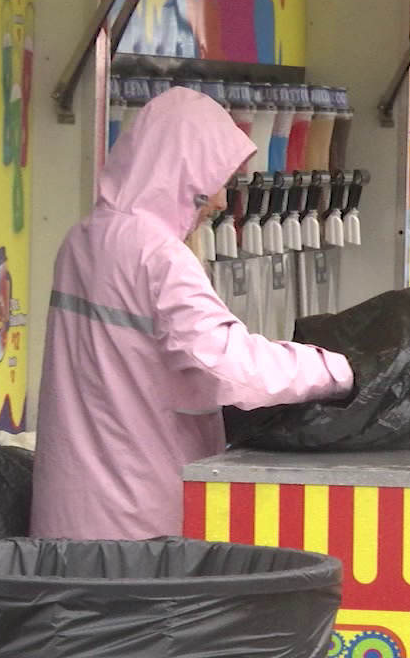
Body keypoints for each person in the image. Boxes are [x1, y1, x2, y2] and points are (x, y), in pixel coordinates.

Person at [30, 87, 354, 541]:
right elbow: (232, 367)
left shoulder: (84, 237)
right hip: (136, 520)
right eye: (217, 179)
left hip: (68, 510)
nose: (221, 201)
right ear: (183, 172)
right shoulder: (159, 257)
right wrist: (341, 367)